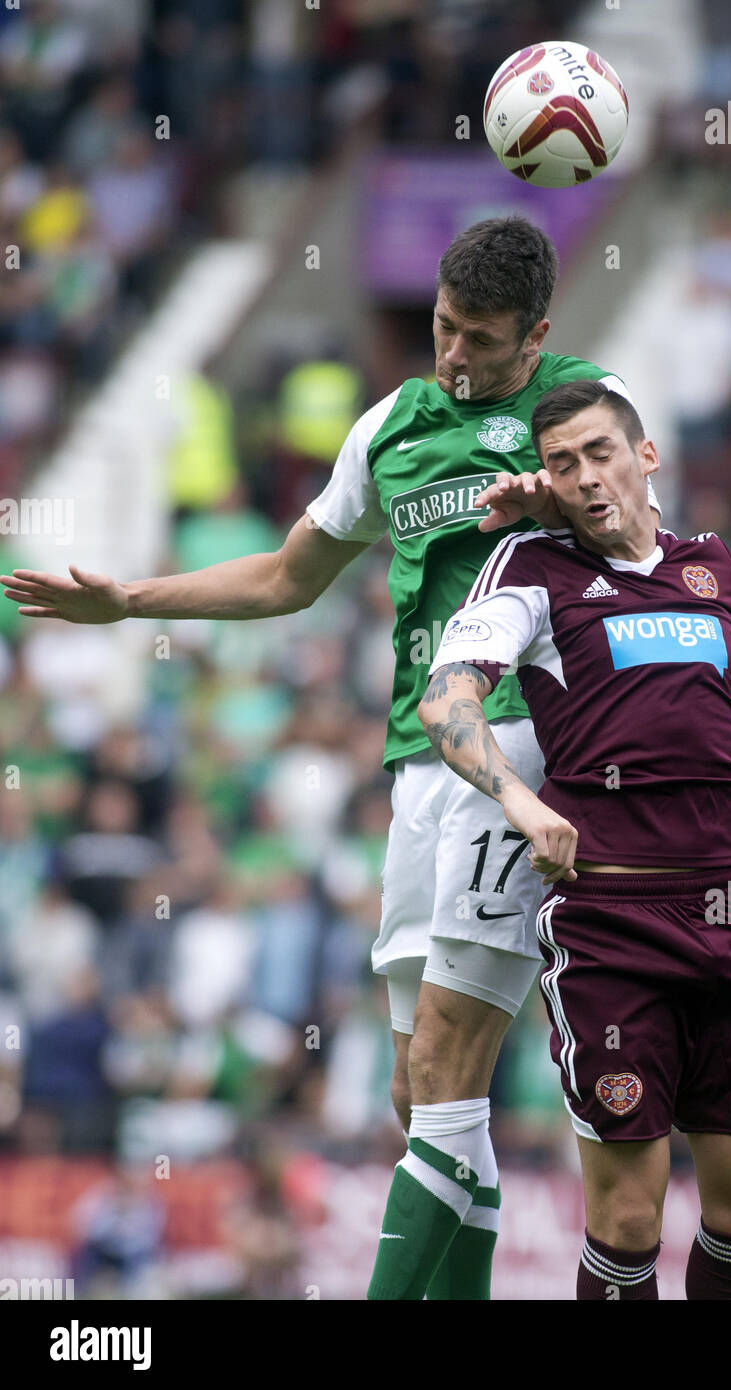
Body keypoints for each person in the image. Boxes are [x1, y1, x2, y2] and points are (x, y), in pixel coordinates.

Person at [2, 217, 660, 1301]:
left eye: (481, 341)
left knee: (451, 1079)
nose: (454, 357)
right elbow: (285, 576)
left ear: (535, 336)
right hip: (418, 764)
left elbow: (647, 546)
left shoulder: (583, 412)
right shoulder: (393, 426)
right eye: (445, 329)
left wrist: (567, 507)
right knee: (418, 1098)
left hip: (524, 754)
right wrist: (128, 601)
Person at [417, 378, 731, 1300]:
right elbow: (445, 698)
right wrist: (523, 804)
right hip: (610, 920)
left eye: (601, 452)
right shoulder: (532, 569)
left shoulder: (714, 566)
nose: (585, 477)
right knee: (629, 1220)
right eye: (561, 464)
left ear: (647, 456)